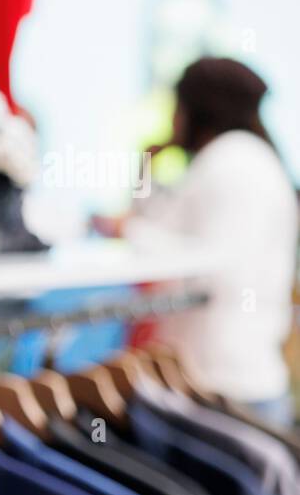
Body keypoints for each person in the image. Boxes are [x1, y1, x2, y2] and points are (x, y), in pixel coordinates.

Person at [124, 57, 298, 424]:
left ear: (195, 109)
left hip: (223, 385)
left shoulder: (233, 162)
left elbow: (215, 269)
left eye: (176, 106)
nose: (172, 119)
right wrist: (145, 170)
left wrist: (129, 233)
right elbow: (162, 223)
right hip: (233, 380)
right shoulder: (240, 159)